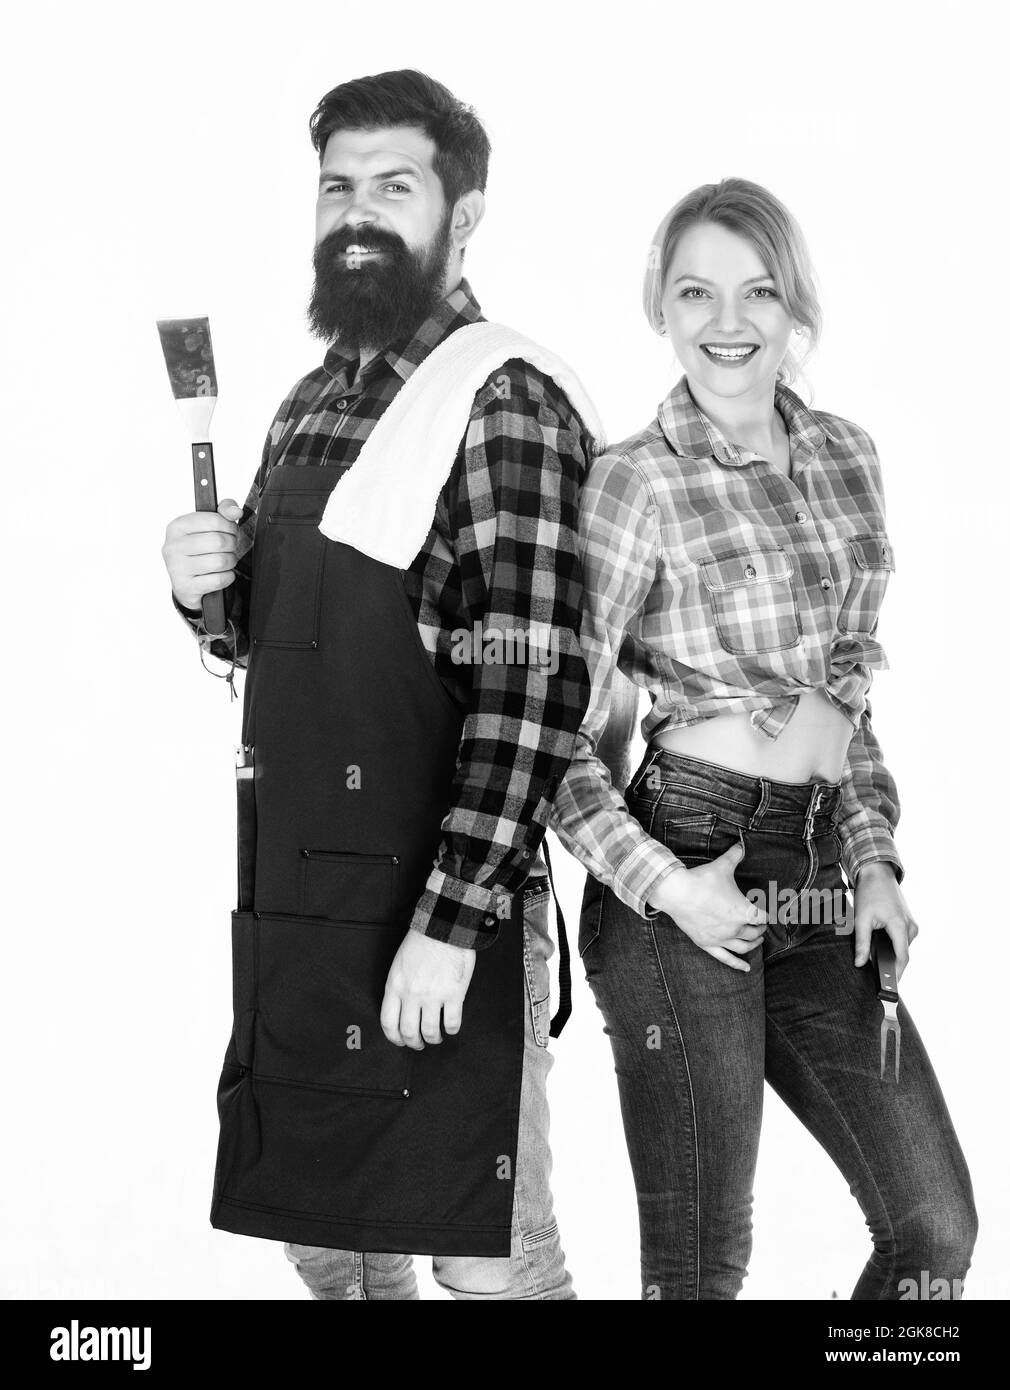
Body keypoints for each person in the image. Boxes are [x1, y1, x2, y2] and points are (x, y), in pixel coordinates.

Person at [160, 69, 600, 1300]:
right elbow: (277, 632)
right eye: (335, 186)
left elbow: (532, 689)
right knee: (323, 1232)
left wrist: (451, 927)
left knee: (484, 1251)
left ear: (460, 216)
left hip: (435, 908)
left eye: (392, 186)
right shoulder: (308, 403)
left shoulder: (500, 394)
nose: (356, 212)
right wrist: (204, 585)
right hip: (300, 895)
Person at [549, 178, 978, 1300]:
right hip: (680, 864)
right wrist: (667, 887)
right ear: (659, 305)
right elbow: (554, 738)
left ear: (795, 309)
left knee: (932, 1233)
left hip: (817, 882)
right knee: (699, 1269)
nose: (723, 321)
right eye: (693, 291)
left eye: (755, 291)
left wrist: (874, 864)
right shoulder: (633, 481)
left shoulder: (846, 456)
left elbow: (848, 699)